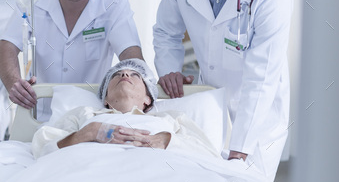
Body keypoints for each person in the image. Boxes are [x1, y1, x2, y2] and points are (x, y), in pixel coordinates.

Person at [152, 0, 292, 181]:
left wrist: (239, 150)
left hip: (258, 117)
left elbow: (260, 80)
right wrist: (169, 69)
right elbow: (166, 32)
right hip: (209, 105)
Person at [0, 0, 143, 119]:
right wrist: (14, 84)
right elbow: (6, 48)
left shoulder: (113, 2)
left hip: (93, 115)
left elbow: (131, 57)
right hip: (40, 114)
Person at [32, 59, 219, 159]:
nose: (124, 73)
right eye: (117, 75)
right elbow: (42, 151)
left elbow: (209, 156)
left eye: (135, 75)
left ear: (148, 98)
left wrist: (166, 140)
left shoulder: (169, 119)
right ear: (105, 98)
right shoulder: (85, 115)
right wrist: (87, 133)